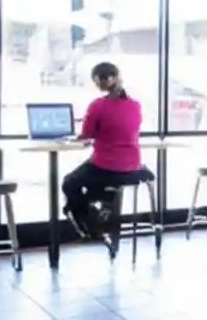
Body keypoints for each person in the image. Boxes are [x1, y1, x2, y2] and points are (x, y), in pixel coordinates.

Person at [61, 61, 147, 238]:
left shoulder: (98, 106)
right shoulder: (136, 105)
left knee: (69, 182)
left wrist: (85, 137)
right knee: (92, 184)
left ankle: (88, 224)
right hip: (133, 165)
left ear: (104, 80)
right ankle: (101, 203)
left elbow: (86, 134)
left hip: (107, 166)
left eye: (97, 82)